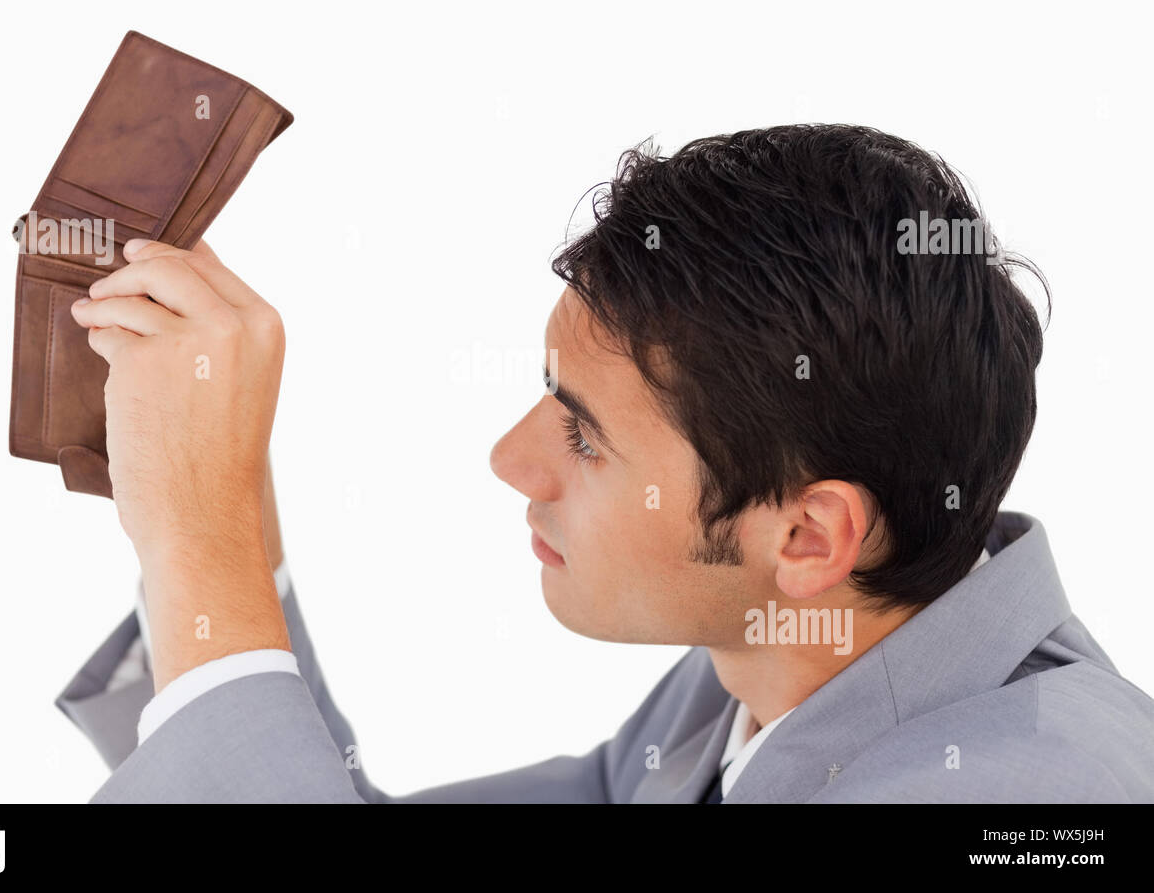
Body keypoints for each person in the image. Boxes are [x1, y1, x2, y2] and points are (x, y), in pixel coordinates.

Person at [56, 124, 1154, 802]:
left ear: (808, 537)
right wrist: (226, 502)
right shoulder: (773, 660)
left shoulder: (1034, 795)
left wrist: (195, 547)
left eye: (584, 431)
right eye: (549, 392)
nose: (510, 458)